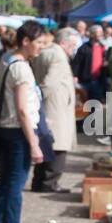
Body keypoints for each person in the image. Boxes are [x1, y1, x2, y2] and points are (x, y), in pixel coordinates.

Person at [0, 18, 45, 223]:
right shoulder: (21, 68)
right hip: (17, 132)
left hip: (6, 130)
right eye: (38, 42)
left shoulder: (7, 61)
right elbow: (22, 110)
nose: (41, 46)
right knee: (15, 184)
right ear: (25, 41)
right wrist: (34, 143)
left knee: (6, 182)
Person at [32, 26, 78, 192]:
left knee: (46, 144)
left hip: (49, 105)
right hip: (55, 107)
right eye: (72, 45)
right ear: (63, 42)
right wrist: (39, 99)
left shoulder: (46, 52)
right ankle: (50, 183)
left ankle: (39, 181)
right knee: (58, 145)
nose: (74, 49)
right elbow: (49, 83)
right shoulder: (58, 56)